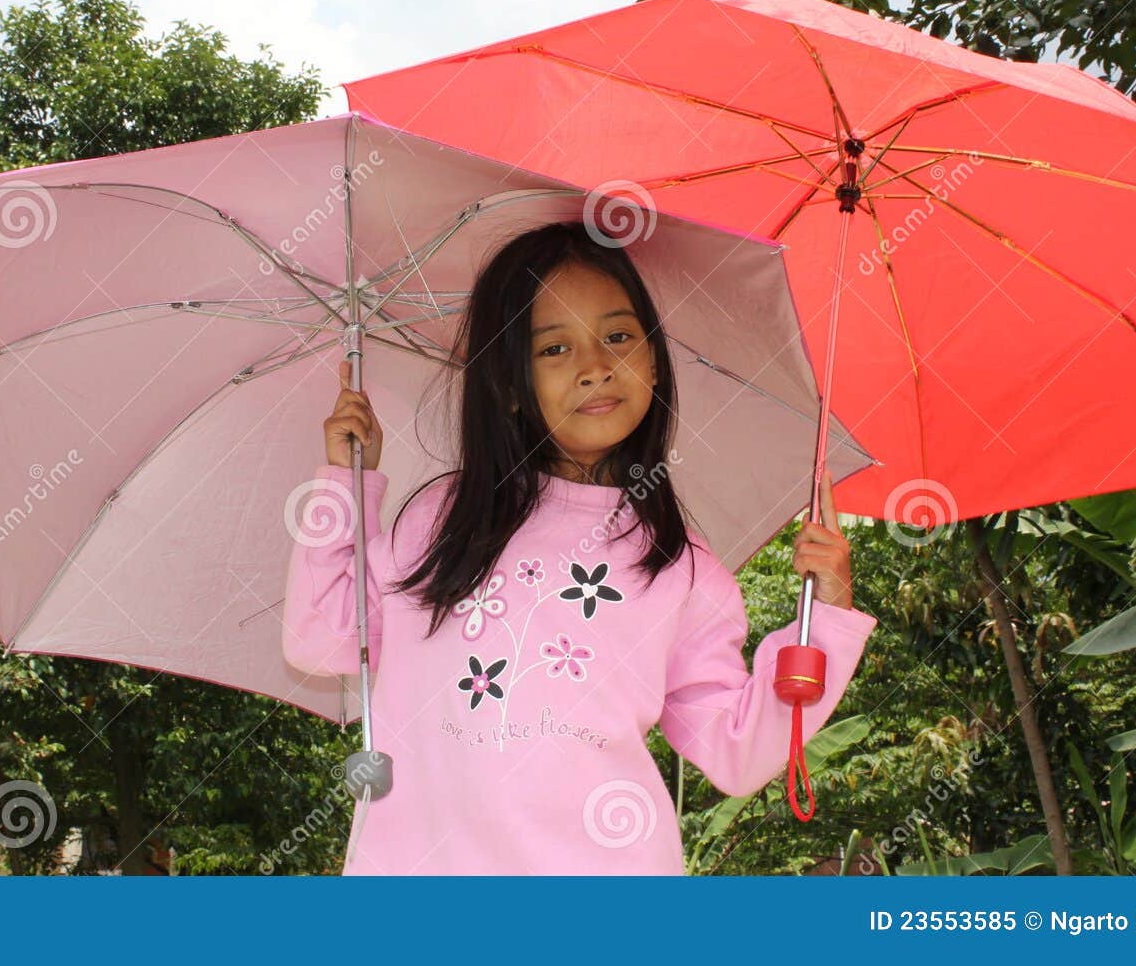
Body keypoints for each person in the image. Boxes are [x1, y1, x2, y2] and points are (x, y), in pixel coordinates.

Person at [281, 220, 878, 874]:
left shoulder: (682, 569)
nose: (595, 366)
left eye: (619, 336)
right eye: (554, 348)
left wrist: (827, 619)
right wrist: (347, 482)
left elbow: (736, 749)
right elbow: (322, 638)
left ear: (653, 357)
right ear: (508, 385)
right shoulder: (436, 522)